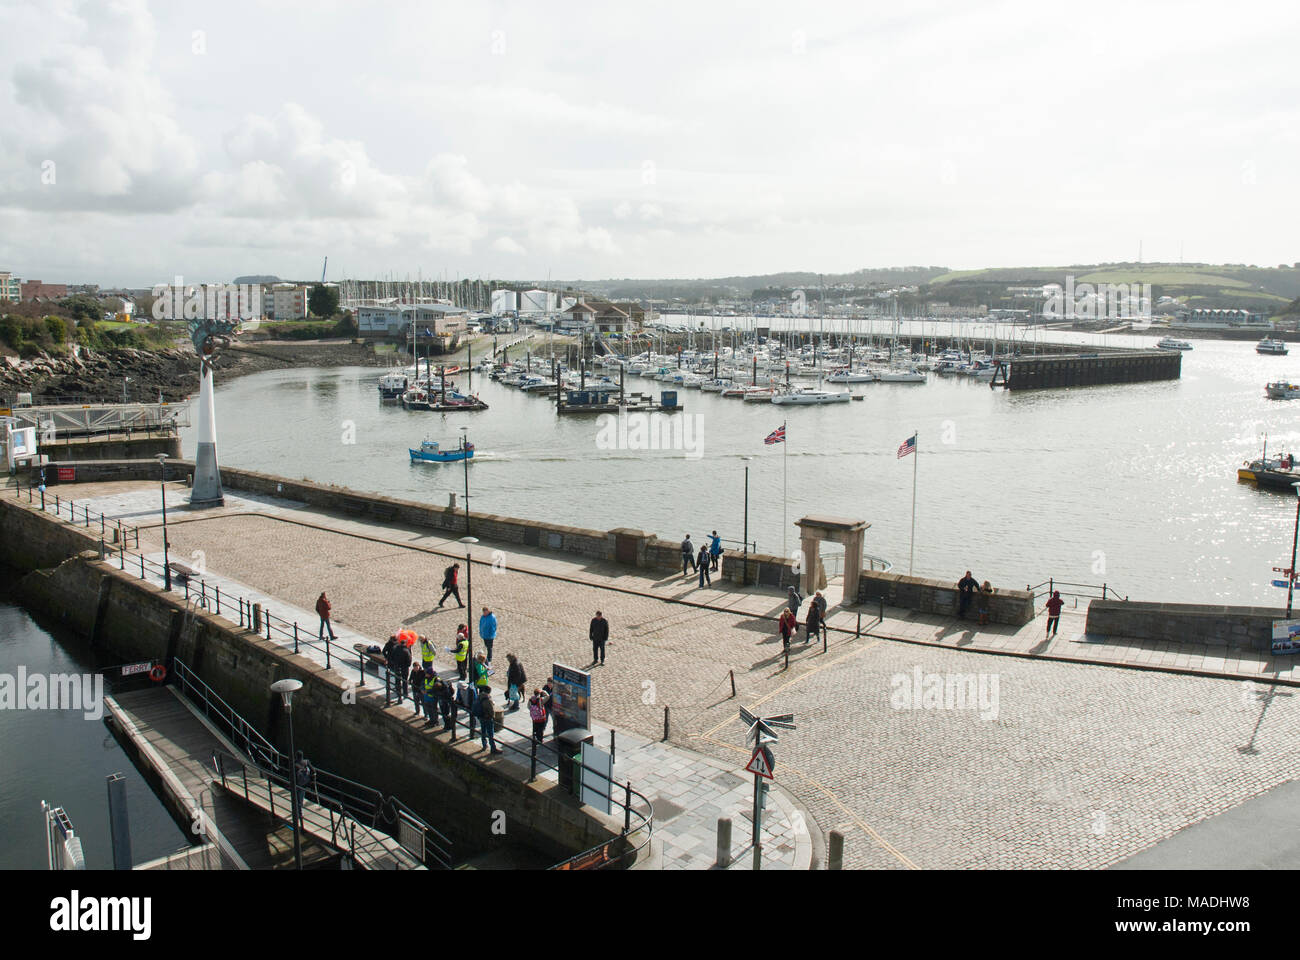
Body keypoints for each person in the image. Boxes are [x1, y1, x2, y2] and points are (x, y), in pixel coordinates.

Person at [476, 687, 501, 754]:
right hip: (487, 718)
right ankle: (493, 748)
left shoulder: (479, 696)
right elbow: (491, 710)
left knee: (483, 731)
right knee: (490, 733)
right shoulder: (488, 699)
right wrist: (493, 717)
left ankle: (484, 744)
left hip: (481, 716)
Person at [388, 635, 411, 702]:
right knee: (404, 680)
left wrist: (394, 664)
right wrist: (407, 666)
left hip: (397, 667)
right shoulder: (406, 651)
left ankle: (398, 693)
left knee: (397, 680)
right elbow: (409, 660)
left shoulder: (395, 649)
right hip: (404, 668)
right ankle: (405, 693)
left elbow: (391, 657)